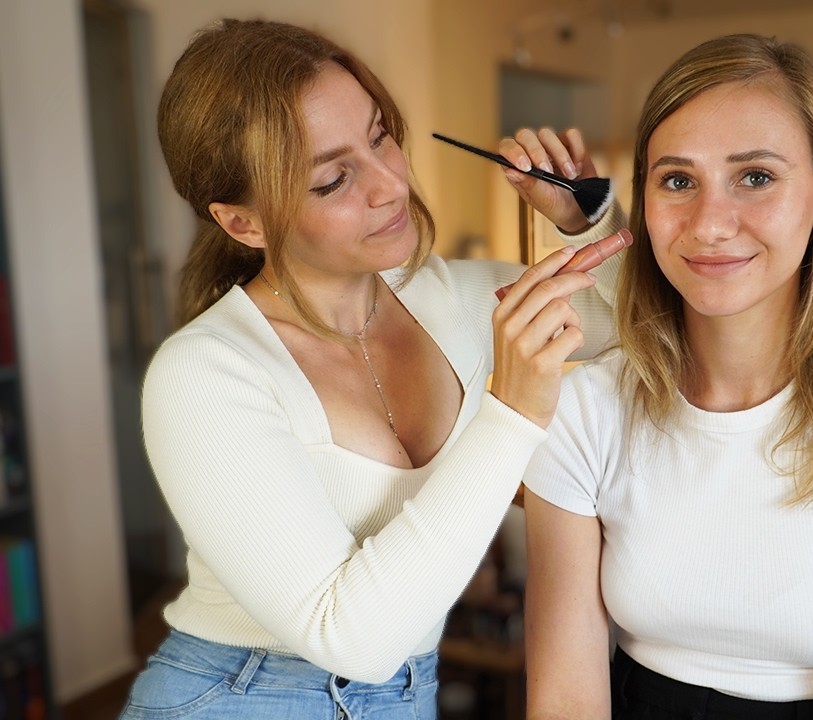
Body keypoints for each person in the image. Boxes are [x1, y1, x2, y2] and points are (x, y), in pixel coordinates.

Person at [119, 18, 626, 720]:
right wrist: (511, 415)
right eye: (334, 179)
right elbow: (352, 640)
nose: (390, 183)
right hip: (240, 697)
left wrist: (585, 219)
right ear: (244, 224)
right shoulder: (205, 375)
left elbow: (642, 325)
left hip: (404, 699)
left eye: (381, 135)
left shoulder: (455, 300)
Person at [521, 34, 813, 720]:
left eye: (756, 177)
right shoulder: (584, 408)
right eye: (677, 180)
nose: (709, 224)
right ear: (643, 203)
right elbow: (563, 699)